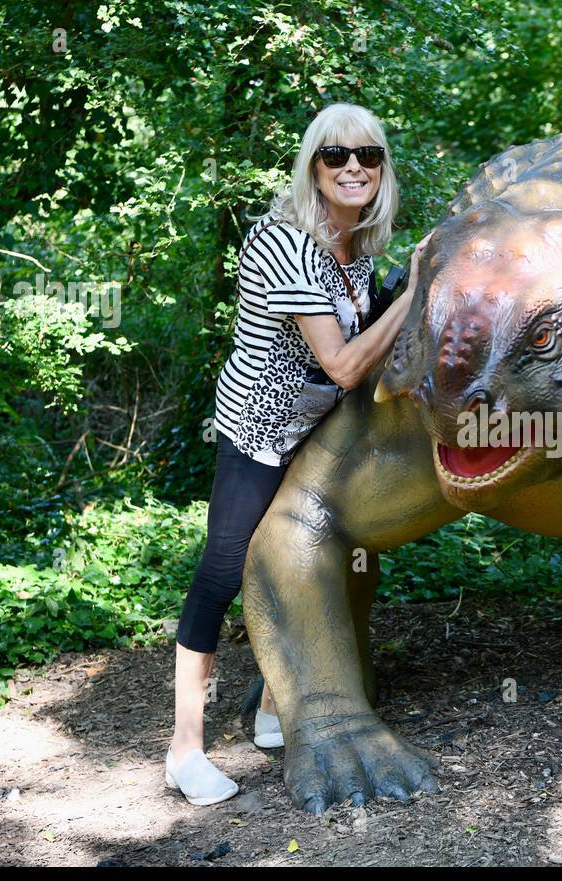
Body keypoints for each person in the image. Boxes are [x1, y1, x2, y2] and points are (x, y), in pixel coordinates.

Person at [165, 103, 430, 805]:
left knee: (320, 550)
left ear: (381, 168)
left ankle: (273, 707)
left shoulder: (357, 248)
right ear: (313, 166)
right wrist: (416, 292)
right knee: (224, 571)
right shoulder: (285, 242)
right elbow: (343, 363)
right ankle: (184, 750)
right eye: (336, 155)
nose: (353, 167)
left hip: (314, 429)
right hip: (258, 433)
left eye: (368, 156)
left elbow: (369, 340)